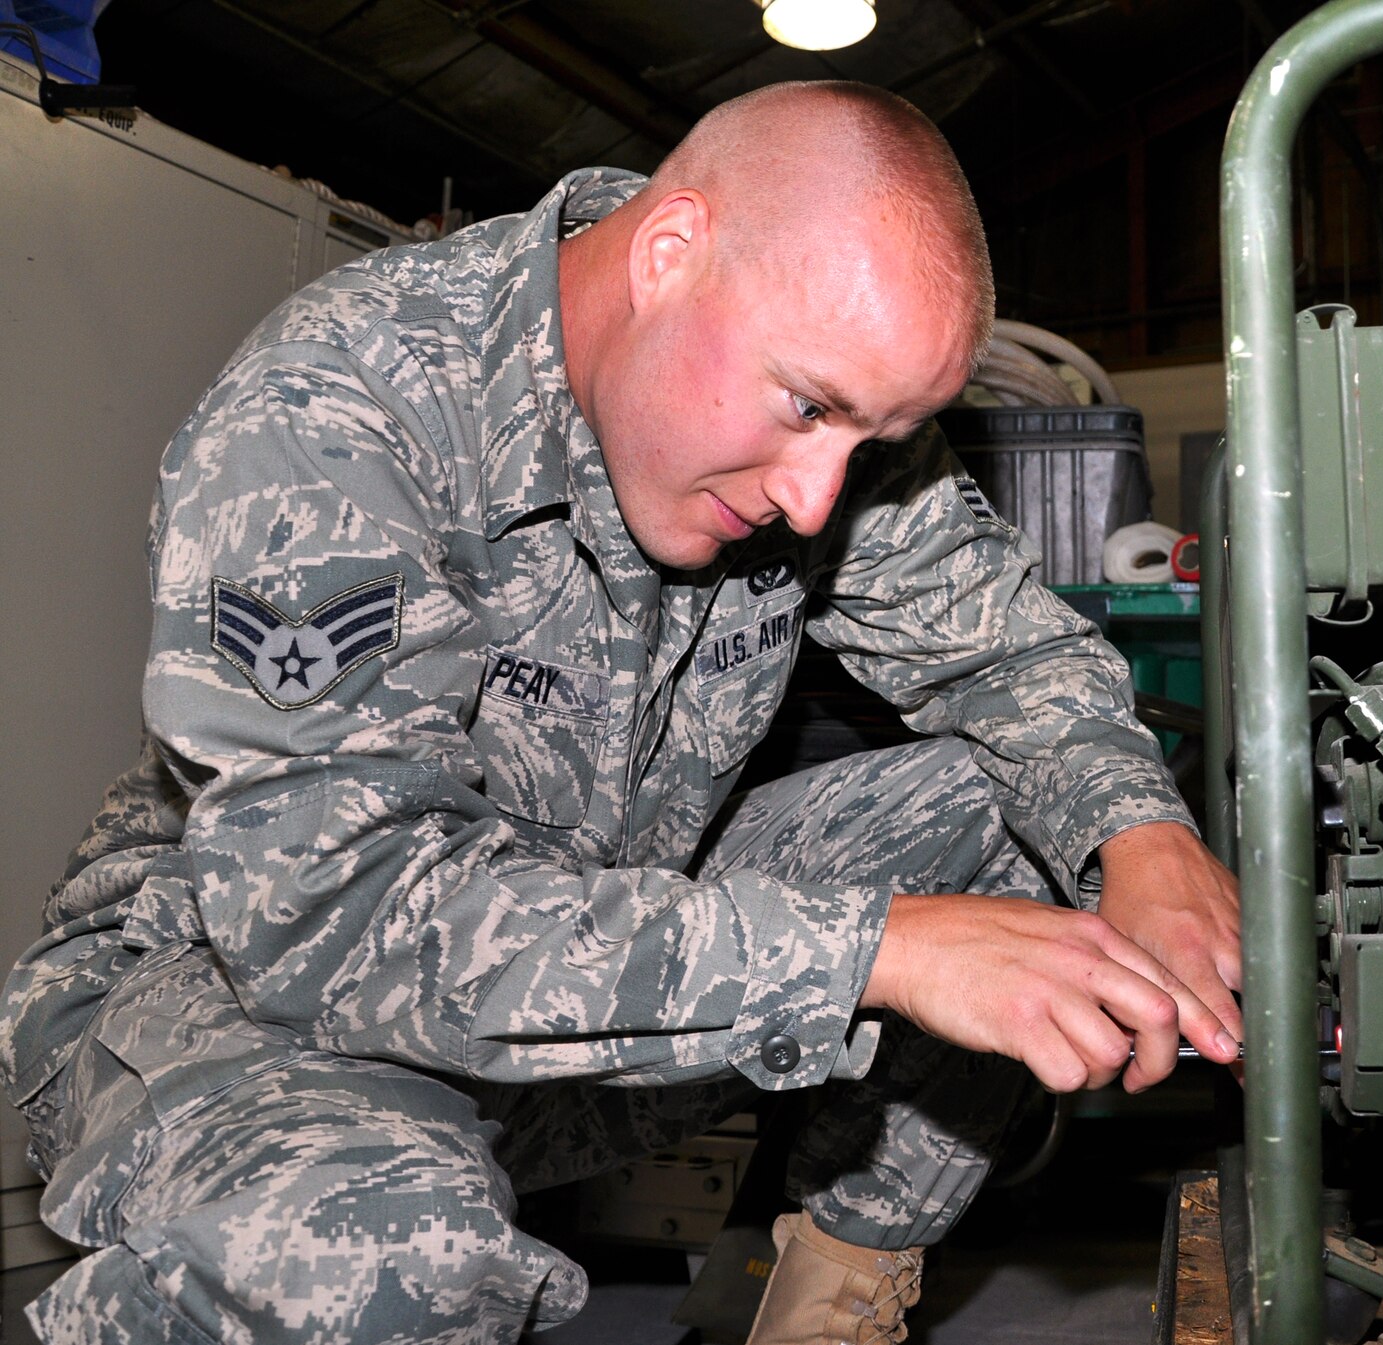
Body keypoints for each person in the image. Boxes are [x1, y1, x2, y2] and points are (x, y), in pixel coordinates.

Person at [0, 80, 1241, 1345]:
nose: (817, 500)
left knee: (1023, 810)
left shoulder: (812, 416)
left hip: (576, 979)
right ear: (666, 253)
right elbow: (337, 916)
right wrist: (881, 950)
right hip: (242, 1010)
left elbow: (1013, 654)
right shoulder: (338, 408)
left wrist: (1142, 837)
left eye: (868, 441)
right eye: (807, 408)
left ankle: (822, 1303)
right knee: (380, 1247)